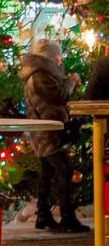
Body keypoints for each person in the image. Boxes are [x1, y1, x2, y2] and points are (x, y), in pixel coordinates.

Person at [21, 38, 88, 233]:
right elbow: (59, 95)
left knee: (47, 171)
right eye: (57, 57)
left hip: (45, 128)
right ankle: (66, 216)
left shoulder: (39, 74)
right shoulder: (40, 76)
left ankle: (43, 215)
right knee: (65, 170)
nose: (60, 60)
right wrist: (71, 82)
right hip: (46, 130)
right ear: (49, 58)